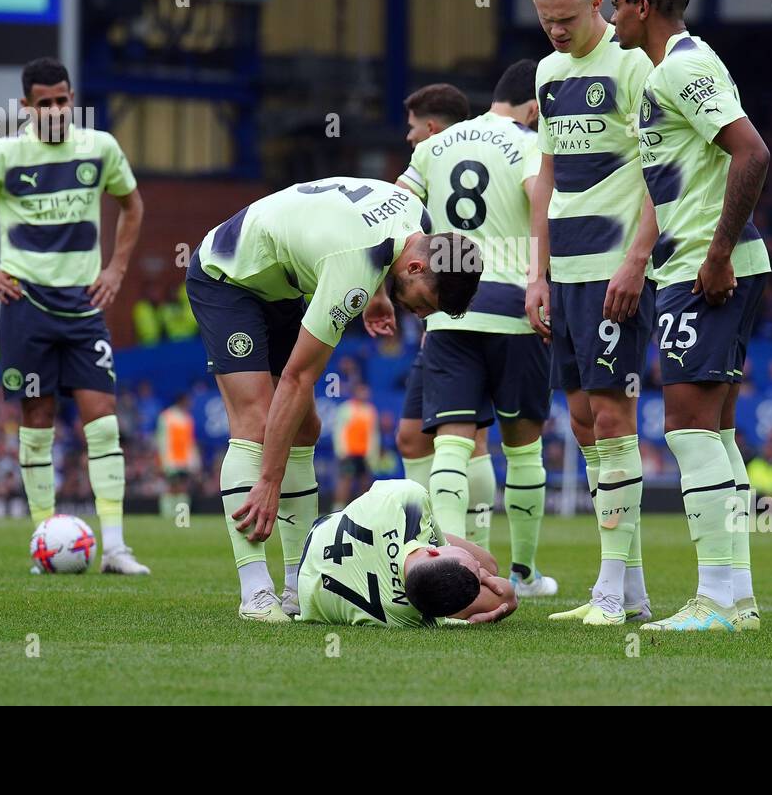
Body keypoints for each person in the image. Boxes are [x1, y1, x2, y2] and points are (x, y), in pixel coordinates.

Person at [186, 177, 482, 622]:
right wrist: (269, 478)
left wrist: (379, 293)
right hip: (227, 278)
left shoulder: (417, 217)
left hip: (280, 280)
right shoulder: (352, 271)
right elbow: (297, 378)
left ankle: (294, 585)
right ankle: (255, 592)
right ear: (418, 269)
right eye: (426, 303)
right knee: (256, 422)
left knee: (307, 429)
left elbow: (380, 244)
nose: (421, 315)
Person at [0, 56, 150, 574]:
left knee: (102, 421)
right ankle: (44, 541)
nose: (56, 109)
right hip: (25, 305)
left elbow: (132, 205)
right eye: (45, 103)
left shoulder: (100, 148)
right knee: (36, 423)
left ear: (72, 99)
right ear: (28, 107)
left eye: (64, 99)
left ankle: (116, 548)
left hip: (83, 306)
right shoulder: (3, 155)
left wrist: (117, 268)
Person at [611, 0, 772, 632]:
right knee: (718, 433)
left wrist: (714, 253)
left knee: (687, 429)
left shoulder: (681, 64)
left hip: (708, 271)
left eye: (616, 4)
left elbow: (752, 152)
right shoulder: (668, 69)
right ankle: (736, 597)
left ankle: (715, 599)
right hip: (700, 264)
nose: (611, 16)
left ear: (642, 5)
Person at [526, 0, 657, 626]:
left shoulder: (633, 65)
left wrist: (637, 258)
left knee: (613, 416)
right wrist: (535, 273)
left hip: (613, 270)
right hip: (565, 273)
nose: (555, 30)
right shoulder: (548, 74)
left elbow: (659, 169)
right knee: (581, 420)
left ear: (597, 4)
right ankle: (629, 588)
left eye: (566, 18)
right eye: (546, 20)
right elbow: (544, 180)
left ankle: (609, 587)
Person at [397, 59, 558, 596]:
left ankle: (451, 567)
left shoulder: (435, 144)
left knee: (452, 444)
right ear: (533, 107)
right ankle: (524, 573)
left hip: (448, 308)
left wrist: (384, 286)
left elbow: (396, 208)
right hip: (515, 306)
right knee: (522, 448)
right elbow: (543, 197)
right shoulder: (530, 141)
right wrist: (539, 274)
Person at [392, 82, 494, 549]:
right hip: (476, 309)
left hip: (462, 311)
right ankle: (440, 542)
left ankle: (465, 553)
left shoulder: (430, 156)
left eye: (413, 129)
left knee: (466, 439)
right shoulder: (506, 147)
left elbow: (396, 204)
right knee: (415, 436)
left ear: (431, 128)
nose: (410, 138)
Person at [298, 479, 516, 627]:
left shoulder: (408, 499)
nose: (478, 566)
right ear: (433, 552)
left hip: (318, 546)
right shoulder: (408, 617)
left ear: (433, 553)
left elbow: (372, 493)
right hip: (308, 589)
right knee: (493, 570)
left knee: (488, 565)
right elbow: (508, 596)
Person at [332, 382, 381, 508]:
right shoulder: (345, 409)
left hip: (364, 455)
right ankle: (338, 509)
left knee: (365, 482)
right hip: (349, 454)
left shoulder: (370, 411)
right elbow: (339, 431)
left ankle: (363, 510)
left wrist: (373, 455)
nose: (365, 394)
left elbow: (374, 434)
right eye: (362, 391)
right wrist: (341, 451)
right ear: (355, 393)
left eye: (366, 391)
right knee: (345, 481)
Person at [156, 393, 200, 518]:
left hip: (184, 460)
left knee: (182, 487)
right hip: (171, 459)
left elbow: (190, 441)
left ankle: (181, 516)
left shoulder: (187, 418)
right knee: (171, 487)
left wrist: (194, 460)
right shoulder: (166, 417)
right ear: (182, 401)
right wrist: (162, 459)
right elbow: (161, 439)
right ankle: (167, 514)